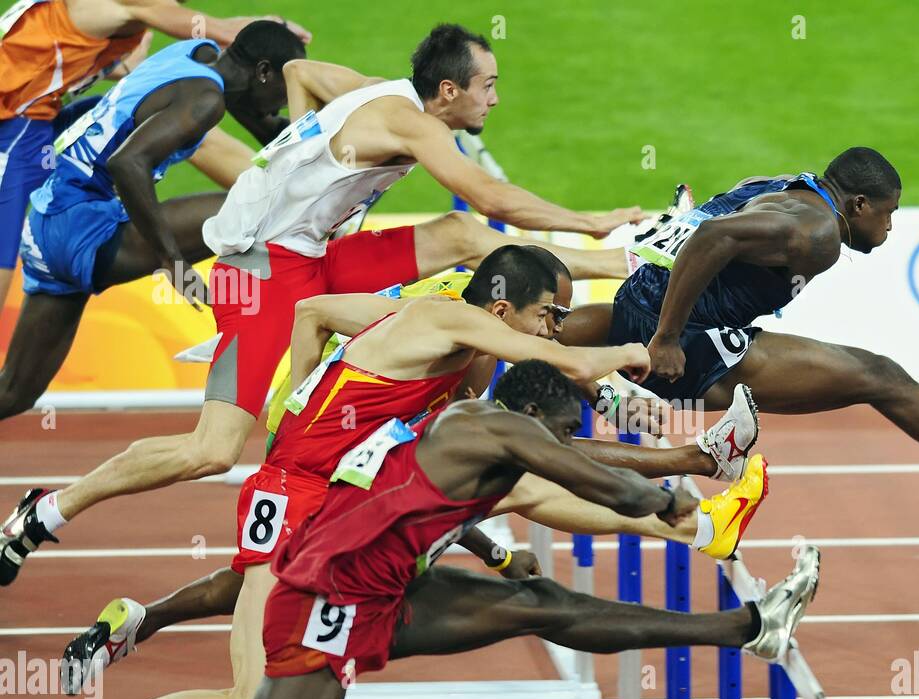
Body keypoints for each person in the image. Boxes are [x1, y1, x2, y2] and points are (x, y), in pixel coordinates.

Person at [9, 247, 766, 699]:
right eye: (548, 312)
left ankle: (699, 522)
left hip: (343, 498)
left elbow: (320, 317)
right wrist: (640, 350)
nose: (554, 326)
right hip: (299, 500)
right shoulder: (442, 317)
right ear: (504, 308)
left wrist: (296, 403)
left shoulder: (460, 363)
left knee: (518, 483)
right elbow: (548, 357)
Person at [0, 22, 668, 582]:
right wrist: (590, 217)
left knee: (461, 236)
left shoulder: (369, 90)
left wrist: (300, 151)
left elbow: (302, 71)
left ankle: (633, 260)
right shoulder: (414, 125)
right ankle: (49, 510)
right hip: (263, 270)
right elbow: (496, 199)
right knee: (211, 449)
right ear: (448, 90)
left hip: (309, 250)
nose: (495, 98)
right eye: (487, 85)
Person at [558, 147, 919, 505]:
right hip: (682, 338)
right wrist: (664, 339)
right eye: (889, 214)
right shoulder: (819, 235)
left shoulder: (783, 184)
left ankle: (536, 341)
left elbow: (706, 226)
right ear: (858, 204)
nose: (890, 227)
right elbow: (713, 237)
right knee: (878, 377)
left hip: (646, 300)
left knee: (567, 349)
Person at [0, 21, 307, 422]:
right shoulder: (206, 100)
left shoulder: (196, 55)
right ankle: (242, 322)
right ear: (264, 71)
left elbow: (257, 115)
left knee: (13, 392)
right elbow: (127, 164)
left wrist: (286, 132)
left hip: (49, 221)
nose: (283, 103)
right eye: (284, 90)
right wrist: (174, 264)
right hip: (82, 223)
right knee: (255, 204)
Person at [0, 0, 311, 308]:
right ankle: (296, 210)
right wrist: (271, 30)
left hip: (42, 124)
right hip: (15, 122)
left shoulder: (175, 47)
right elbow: (220, 32)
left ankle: (296, 196)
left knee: (167, 124)